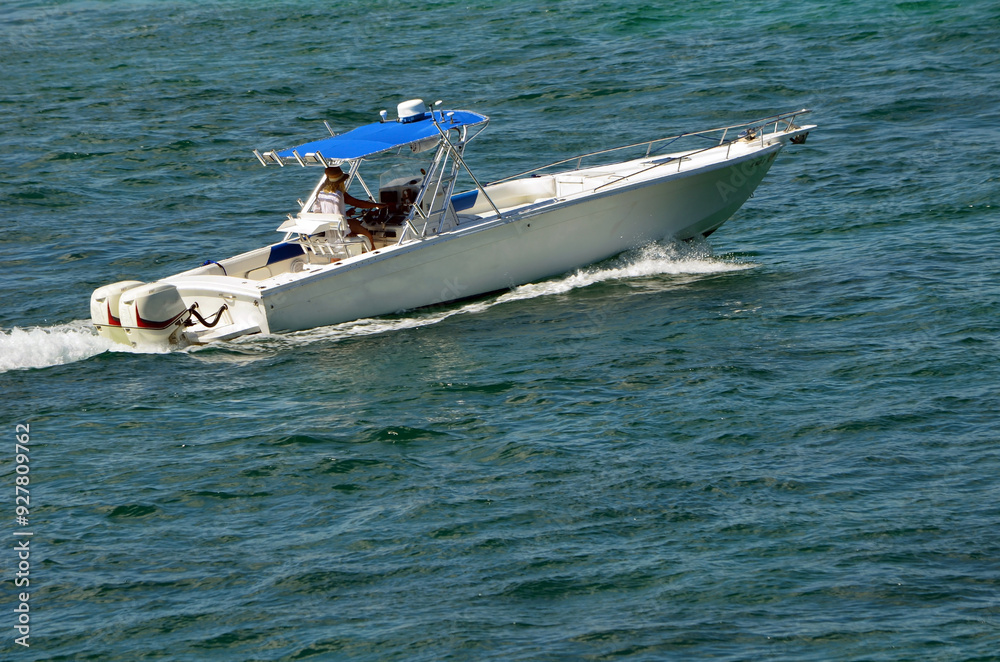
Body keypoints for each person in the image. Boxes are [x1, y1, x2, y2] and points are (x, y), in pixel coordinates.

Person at [314, 166, 384, 248]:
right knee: (368, 236)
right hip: (339, 227)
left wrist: (347, 213)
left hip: (328, 226)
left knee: (356, 222)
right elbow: (358, 203)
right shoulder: (338, 194)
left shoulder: (321, 192)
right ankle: (373, 252)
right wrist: (377, 205)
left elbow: (319, 211)